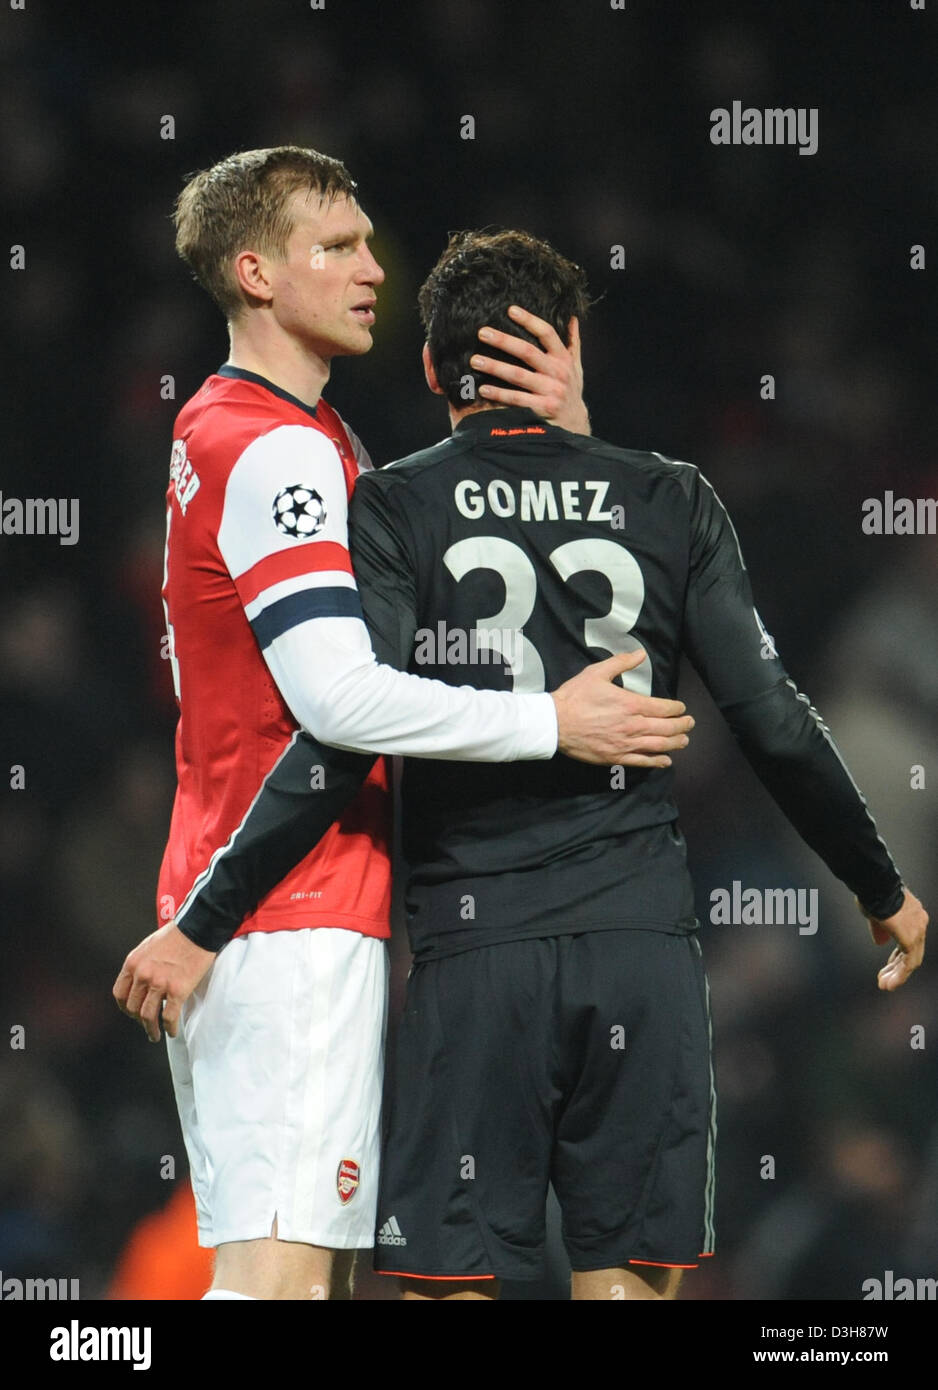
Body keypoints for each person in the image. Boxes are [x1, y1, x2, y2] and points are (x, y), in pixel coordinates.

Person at [175, 226, 927, 1302]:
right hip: (639, 952)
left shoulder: (393, 504)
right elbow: (773, 720)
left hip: (474, 956)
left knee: (449, 1284)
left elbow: (341, 735)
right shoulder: (670, 498)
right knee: (623, 1286)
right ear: (570, 346)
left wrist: (206, 917)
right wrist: (878, 885)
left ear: (431, 369)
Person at [112, 148, 696, 1302]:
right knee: (279, 1284)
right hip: (288, 909)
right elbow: (338, 699)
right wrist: (548, 719)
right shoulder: (279, 450)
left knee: (305, 1279)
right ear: (255, 273)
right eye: (335, 246)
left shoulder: (275, 430)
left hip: (283, 899)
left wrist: (565, 439)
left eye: (366, 242)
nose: (371, 268)